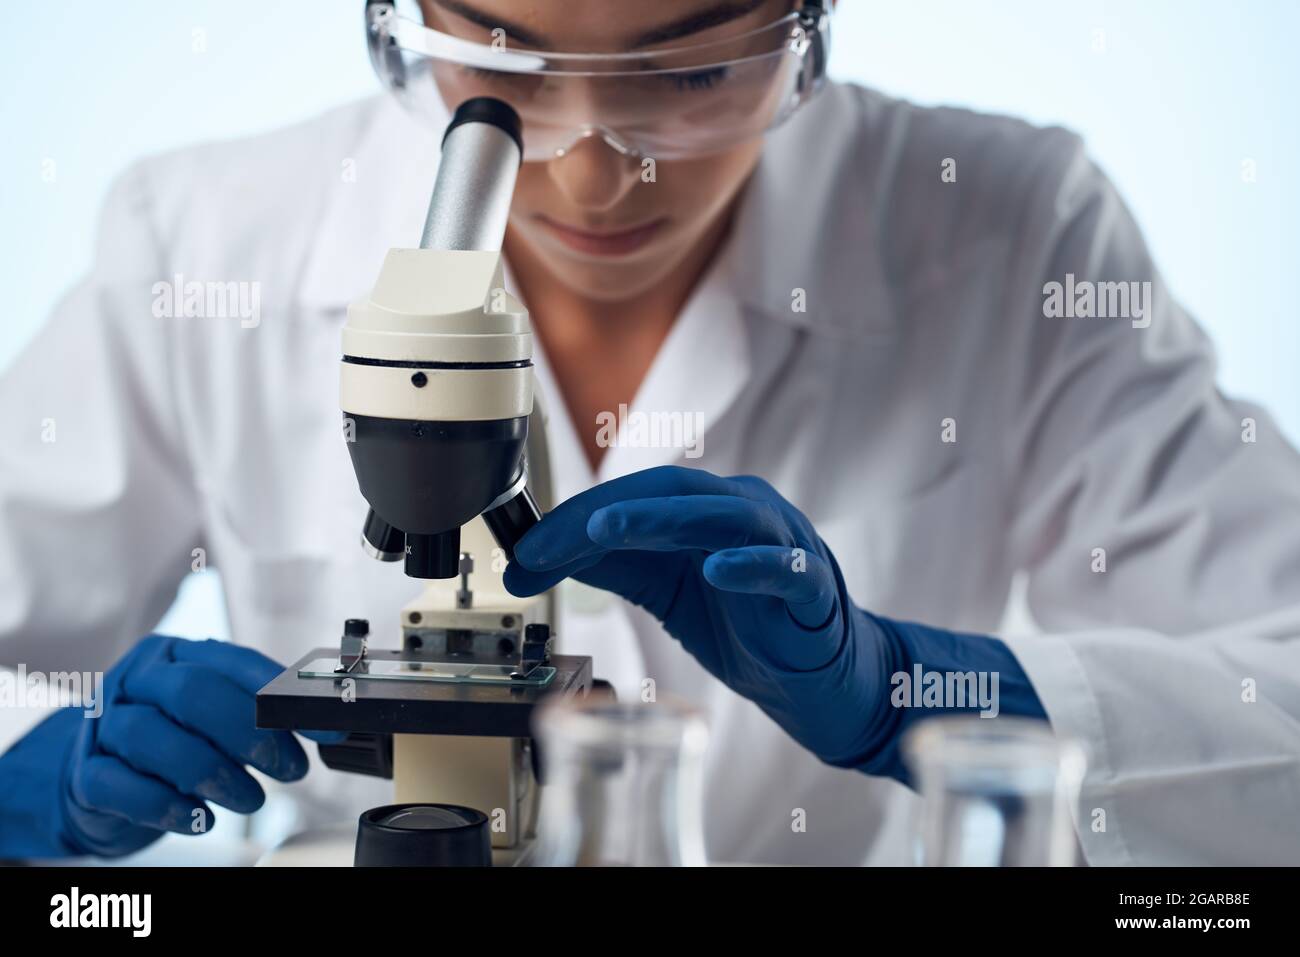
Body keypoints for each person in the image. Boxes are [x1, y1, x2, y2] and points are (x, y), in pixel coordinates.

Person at [1, 0, 1298, 865]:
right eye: (507, 66)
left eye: (689, 70)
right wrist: (36, 781)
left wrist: (908, 689)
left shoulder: (1009, 230)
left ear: (807, 32)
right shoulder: (204, 239)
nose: (592, 169)